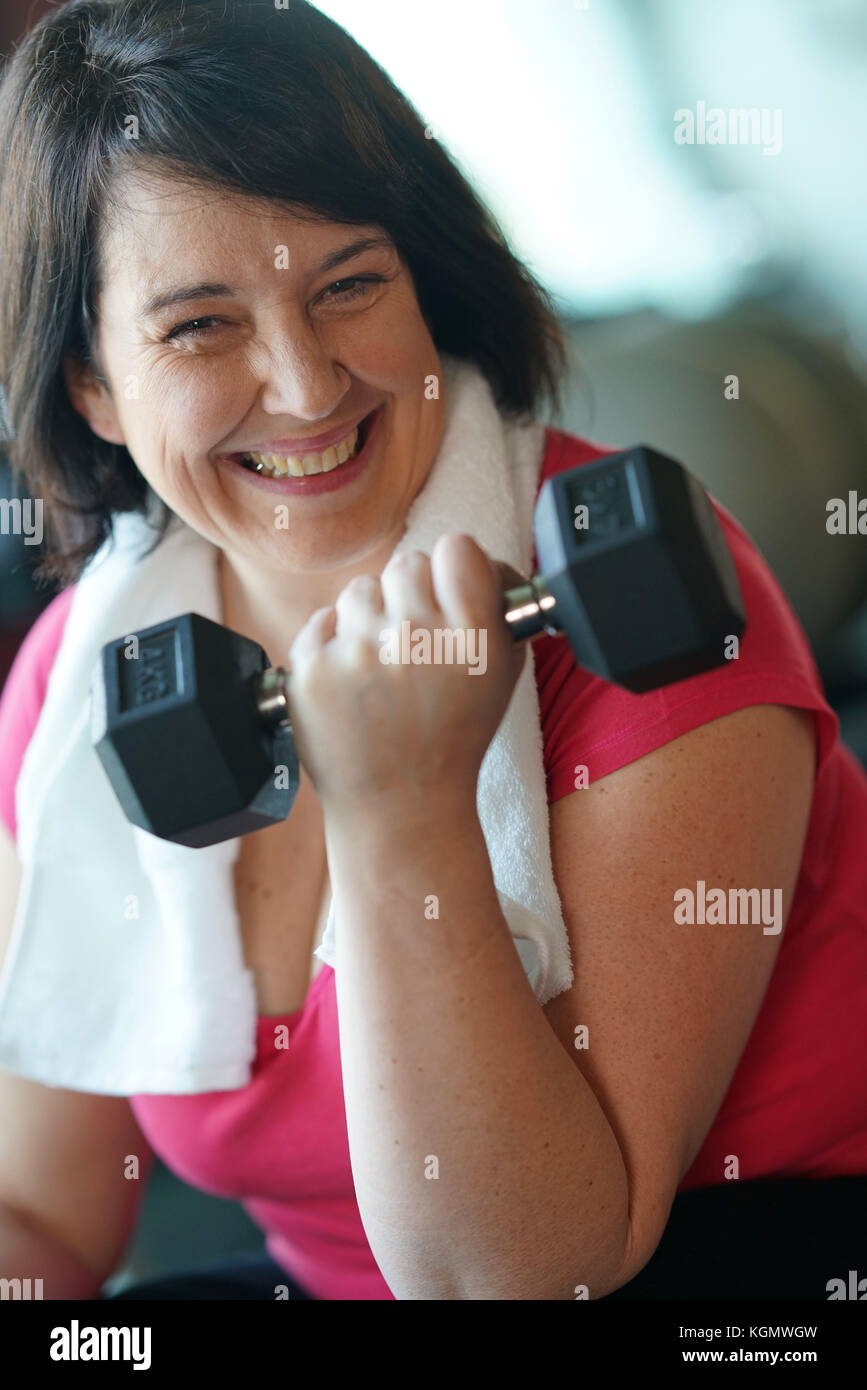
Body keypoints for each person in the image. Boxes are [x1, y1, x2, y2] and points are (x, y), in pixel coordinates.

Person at [0, 0, 865, 1302]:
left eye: (348, 285)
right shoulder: (81, 688)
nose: (302, 385)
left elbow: (522, 1272)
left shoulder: (650, 598)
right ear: (94, 386)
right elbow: (44, 1212)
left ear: (427, 279)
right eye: (199, 325)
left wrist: (401, 807)